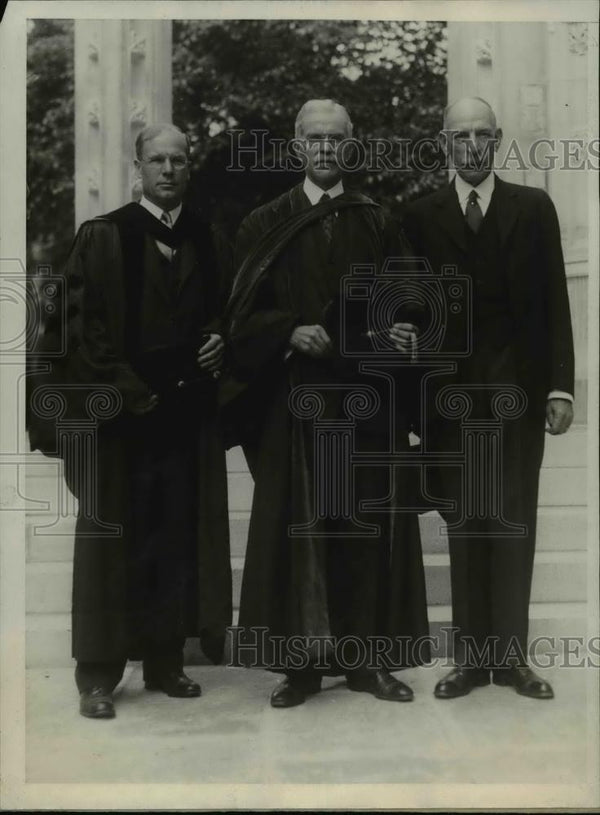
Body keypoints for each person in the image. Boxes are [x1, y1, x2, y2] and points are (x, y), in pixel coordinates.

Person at [221, 99, 430, 708]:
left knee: (366, 529)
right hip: (295, 404)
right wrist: (287, 330)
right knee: (301, 529)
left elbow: (412, 298)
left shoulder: (378, 220)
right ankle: (302, 669)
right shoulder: (264, 223)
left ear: (351, 145)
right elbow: (238, 315)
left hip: (367, 402)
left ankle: (370, 663)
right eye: (314, 138)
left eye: (336, 138)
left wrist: (407, 327)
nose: (325, 147)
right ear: (296, 145)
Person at [28, 123, 232, 719]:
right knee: (108, 541)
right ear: (137, 168)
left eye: (178, 159)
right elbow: (77, 326)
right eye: (156, 160)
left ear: (189, 166)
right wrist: (129, 387)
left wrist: (222, 339)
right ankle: (97, 674)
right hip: (117, 415)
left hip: (184, 415)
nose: (168, 170)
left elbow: (227, 311)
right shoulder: (103, 235)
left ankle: (165, 660)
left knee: (173, 534)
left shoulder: (207, 237)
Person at [403, 97, 574, 700]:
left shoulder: (534, 207)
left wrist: (560, 386)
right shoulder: (419, 215)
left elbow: (556, 298)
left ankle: (513, 659)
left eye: (482, 135)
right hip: (449, 402)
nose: (472, 145)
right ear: (444, 142)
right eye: (460, 136)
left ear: (497, 140)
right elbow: (408, 308)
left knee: (513, 521)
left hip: (517, 397)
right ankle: (470, 661)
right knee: (466, 525)